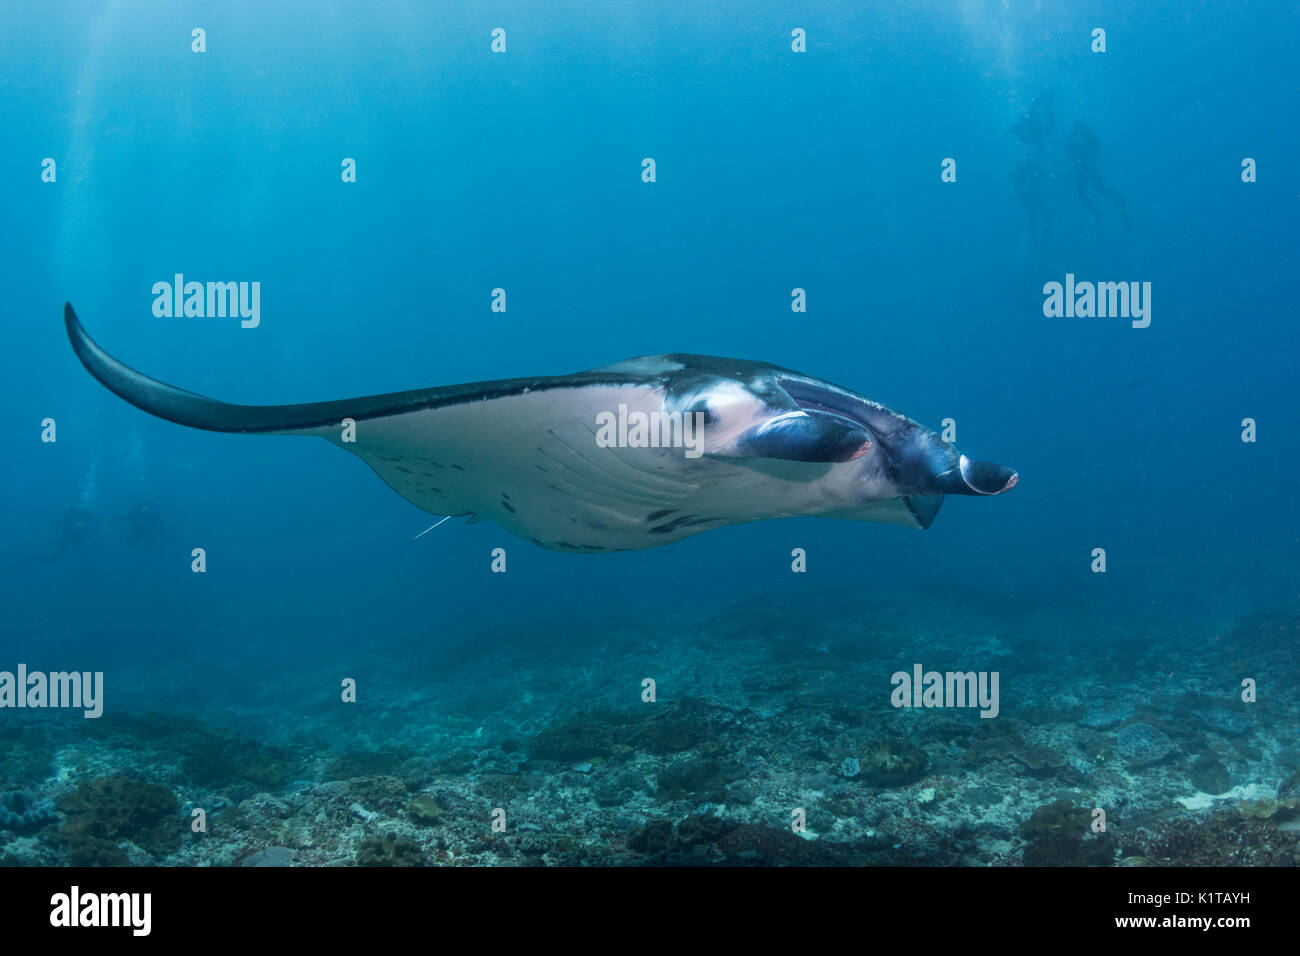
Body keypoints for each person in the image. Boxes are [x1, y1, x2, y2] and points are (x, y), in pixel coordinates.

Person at [1065, 119, 1133, 228]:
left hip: (1089, 168)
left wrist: (1084, 158)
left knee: (1101, 191)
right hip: (1083, 169)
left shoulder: (1084, 137)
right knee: (1087, 194)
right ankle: (1097, 212)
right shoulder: (1074, 138)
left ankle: (1106, 208)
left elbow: (1094, 151)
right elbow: (1073, 153)